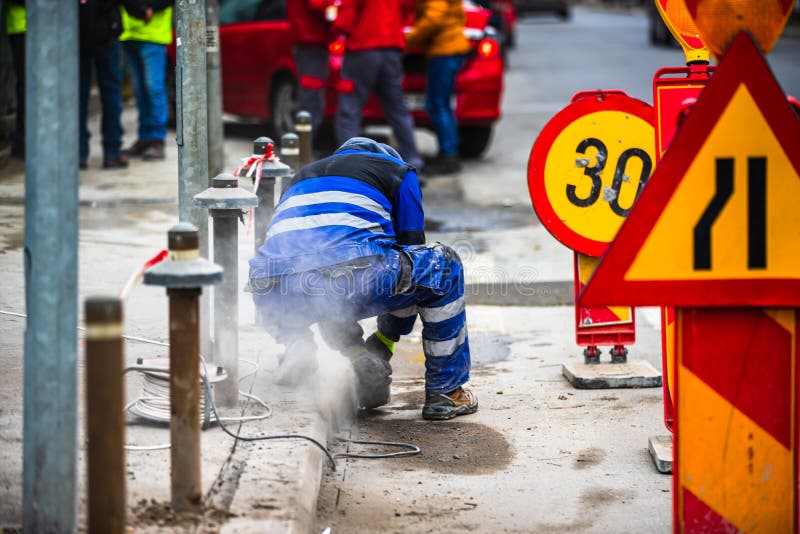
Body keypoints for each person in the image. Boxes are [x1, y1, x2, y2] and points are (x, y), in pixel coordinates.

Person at [248, 137, 477, 420]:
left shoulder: (302, 176)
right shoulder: (397, 170)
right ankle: (447, 392)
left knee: (325, 283)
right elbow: (410, 253)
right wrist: (388, 337)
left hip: (270, 285)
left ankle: (300, 343)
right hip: (346, 272)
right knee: (441, 267)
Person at [332, 0, 423, 171]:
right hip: (391, 48)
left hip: (363, 47)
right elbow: (408, 8)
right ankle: (413, 162)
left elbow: (345, 17)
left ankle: (348, 165)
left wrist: (340, 28)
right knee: (398, 110)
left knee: (349, 109)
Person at [79, 0, 148, 170]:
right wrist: (140, 10)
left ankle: (79, 153)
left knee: (79, 96)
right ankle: (111, 153)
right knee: (109, 94)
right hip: (105, 29)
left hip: (80, 31)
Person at [406, 0, 471, 174]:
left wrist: (408, 39)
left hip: (444, 51)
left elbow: (434, 18)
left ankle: (449, 155)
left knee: (438, 104)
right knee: (440, 104)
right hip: (448, 48)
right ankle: (448, 152)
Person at [120, 0, 172, 161]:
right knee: (140, 91)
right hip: (129, 32)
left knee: (154, 89)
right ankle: (145, 138)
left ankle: (157, 139)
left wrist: (148, 8)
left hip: (153, 33)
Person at [287, 0, 333, 140]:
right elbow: (320, 5)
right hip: (312, 43)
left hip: (309, 42)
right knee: (311, 99)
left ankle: (304, 145)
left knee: (310, 97)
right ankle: (304, 146)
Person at [4, 0, 25, 160]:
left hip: (39, 26)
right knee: (26, 87)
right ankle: (22, 142)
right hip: (20, 25)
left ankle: (22, 141)